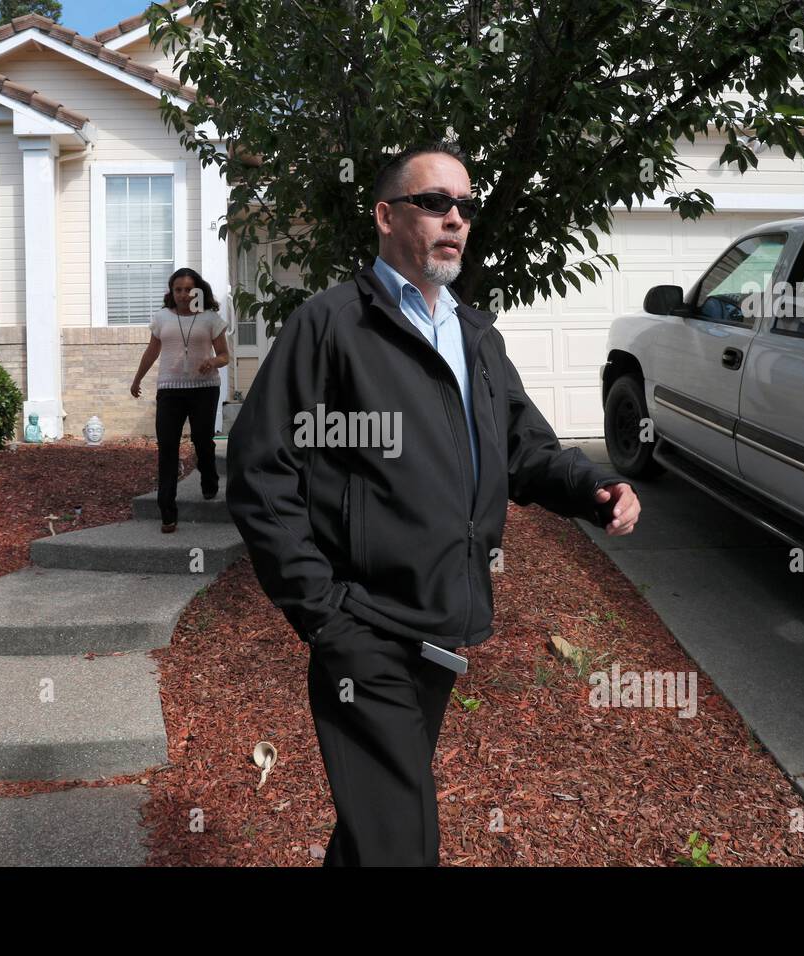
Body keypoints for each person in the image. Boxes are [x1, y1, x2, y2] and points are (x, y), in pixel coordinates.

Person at [226, 141, 642, 866]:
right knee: (402, 841)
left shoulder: (474, 335)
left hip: (442, 625)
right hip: (365, 630)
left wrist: (591, 488)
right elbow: (262, 473)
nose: (455, 218)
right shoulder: (329, 327)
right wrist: (324, 613)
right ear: (386, 216)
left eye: (466, 207)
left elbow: (523, 448)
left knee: (377, 827)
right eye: (435, 202)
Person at [131, 268, 230, 533]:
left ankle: (209, 481)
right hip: (170, 391)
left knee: (202, 440)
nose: (184, 294)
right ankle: (167, 511)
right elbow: (152, 351)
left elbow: (224, 355)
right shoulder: (162, 317)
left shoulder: (210, 318)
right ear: (171, 292)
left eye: (188, 289)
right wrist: (137, 378)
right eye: (178, 290)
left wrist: (212, 361)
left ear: (198, 290)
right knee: (167, 447)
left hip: (204, 389)